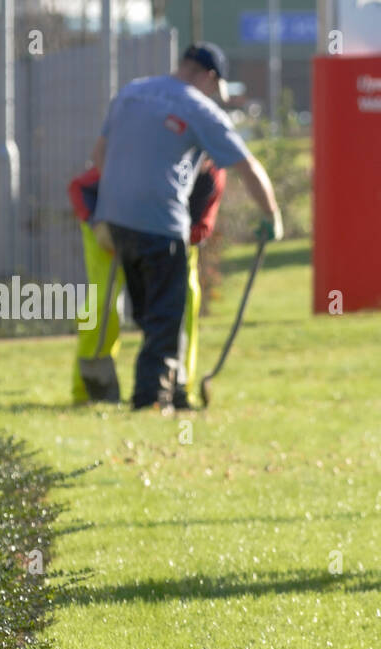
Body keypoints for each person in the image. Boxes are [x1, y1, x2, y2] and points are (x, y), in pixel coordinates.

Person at [90, 41, 283, 410]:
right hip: (161, 224)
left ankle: (175, 392)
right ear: (209, 77)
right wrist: (271, 216)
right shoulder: (198, 108)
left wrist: (121, 196)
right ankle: (150, 400)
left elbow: (99, 154)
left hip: (116, 220)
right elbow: (246, 165)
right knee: (165, 314)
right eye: (215, 87)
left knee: (150, 312)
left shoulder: (131, 92)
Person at [69, 156, 225, 404]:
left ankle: (177, 385)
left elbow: (202, 225)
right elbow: (80, 188)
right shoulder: (145, 149)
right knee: (104, 303)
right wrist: (98, 223)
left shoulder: (212, 175)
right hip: (106, 227)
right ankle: (89, 387)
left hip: (171, 235)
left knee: (186, 297)